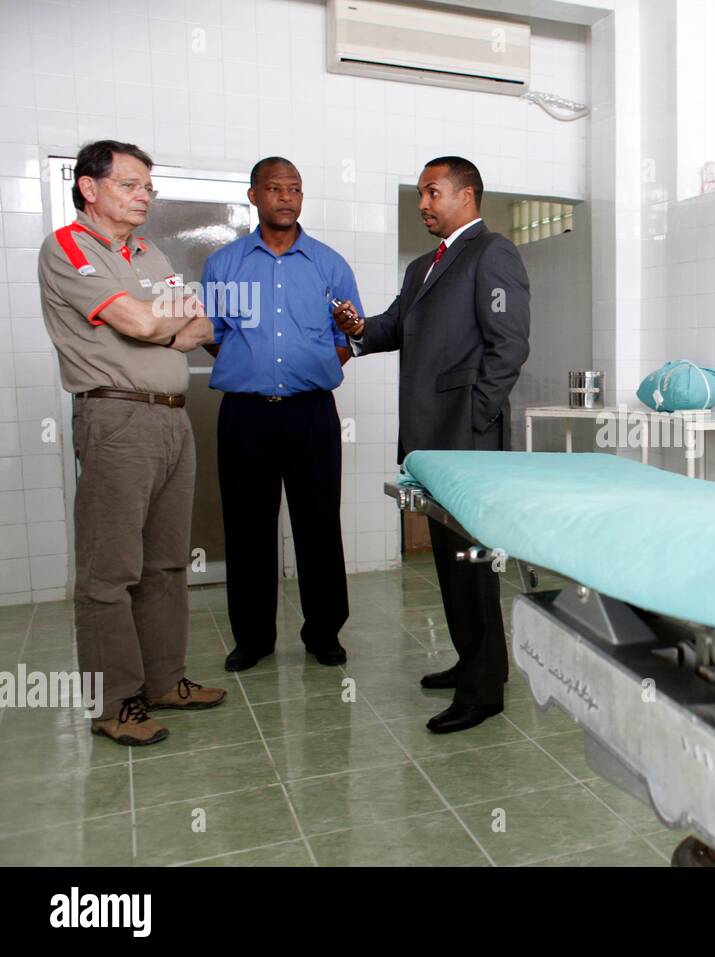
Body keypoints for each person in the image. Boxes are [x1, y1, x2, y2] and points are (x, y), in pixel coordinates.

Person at [37, 139, 225, 747]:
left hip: (173, 418)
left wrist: (157, 323)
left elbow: (198, 324)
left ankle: (165, 681)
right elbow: (147, 322)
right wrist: (156, 323)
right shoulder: (68, 247)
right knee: (108, 571)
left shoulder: (150, 250)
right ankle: (115, 702)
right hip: (116, 419)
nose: (144, 195)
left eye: (149, 186)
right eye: (130, 184)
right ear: (90, 188)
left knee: (167, 562)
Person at [332, 156, 530, 733]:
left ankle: (485, 689)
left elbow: (509, 346)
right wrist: (357, 328)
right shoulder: (424, 266)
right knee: (448, 561)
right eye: (421, 193)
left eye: (432, 192)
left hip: (465, 437)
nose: (423, 203)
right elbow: (394, 326)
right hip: (428, 438)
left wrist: (477, 421)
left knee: (473, 562)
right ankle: (472, 661)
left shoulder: (493, 253)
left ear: (467, 196)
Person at [200, 157, 358, 672]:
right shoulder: (224, 265)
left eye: (295, 189)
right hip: (245, 418)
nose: (286, 198)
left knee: (318, 523)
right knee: (247, 528)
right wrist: (255, 368)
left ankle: (324, 633)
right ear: (254, 197)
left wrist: (310, 368)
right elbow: (214, 338)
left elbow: (350, 337)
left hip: (312, 414)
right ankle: (253, 638)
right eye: (275, 188)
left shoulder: (329, 265)